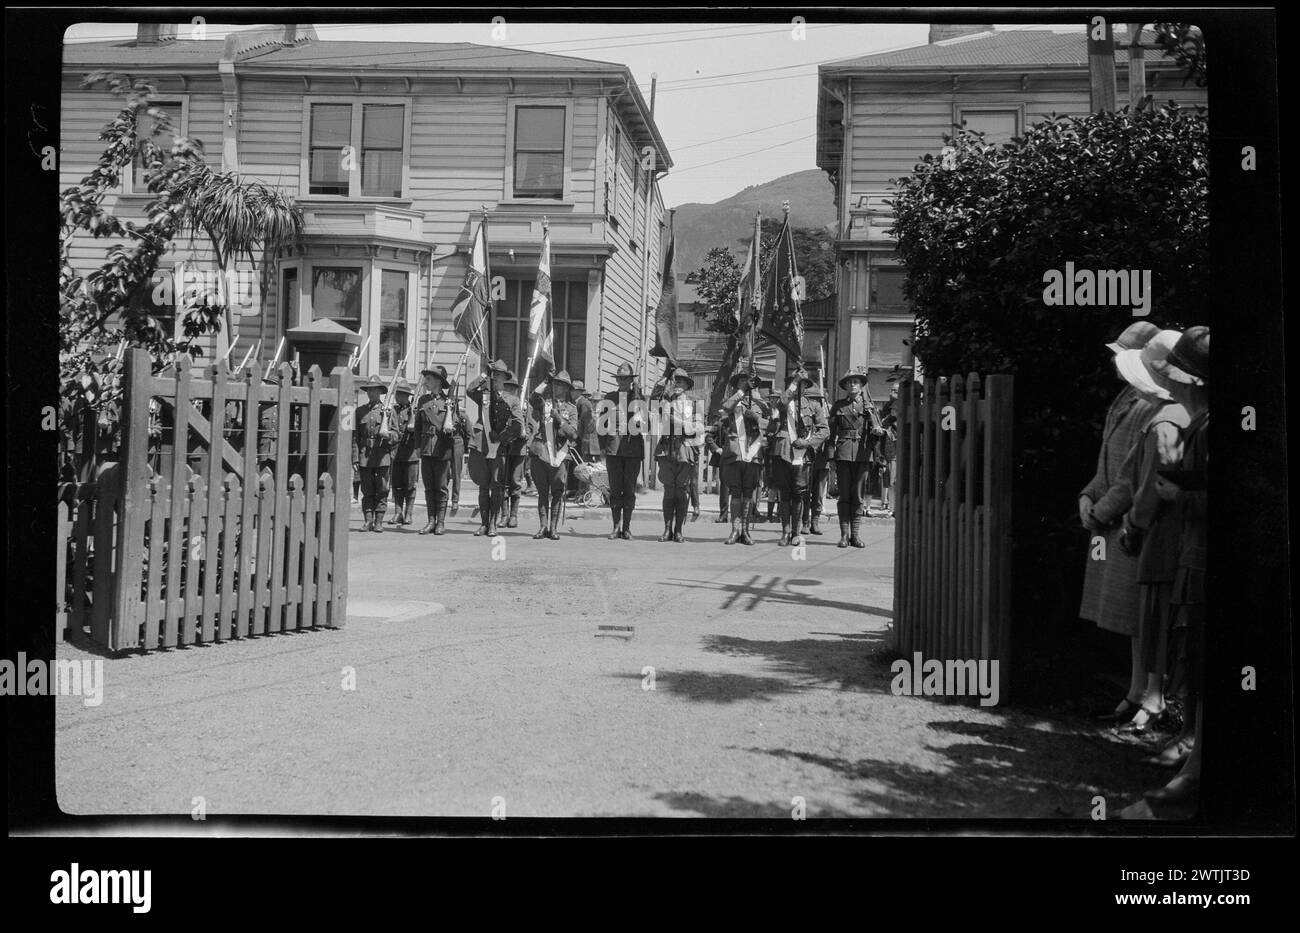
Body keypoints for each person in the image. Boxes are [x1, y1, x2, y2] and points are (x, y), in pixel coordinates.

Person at [1078, 321, 1160, 722]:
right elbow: (1108, 463)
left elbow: (1132, 477)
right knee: (1133, 620)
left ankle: (1145, 697)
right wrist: (1087, 495)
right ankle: (1136, 692)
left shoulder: (1151, 402)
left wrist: (1100, 509)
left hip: (1130, 523)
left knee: (1141, 617)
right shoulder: (1131, 396)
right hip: (1114, 518)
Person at [1145, 326, 1208, 804]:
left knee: (1201, 651)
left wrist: (1178, 493)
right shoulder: (1202, 421)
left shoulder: (1208, 425)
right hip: (1193, 549)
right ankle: (1191, 745)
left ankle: (1198, 761)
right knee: (1193, 649)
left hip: (1201, 552)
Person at [1117, 330, 1191, 735]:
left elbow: (1148, 489)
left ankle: (1153, 701)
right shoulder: (1184, 415)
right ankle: (1156, 700)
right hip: (1178, 533)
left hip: (1160, 535)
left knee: (1155, 616)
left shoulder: (1164, 421)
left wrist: (1133, 525)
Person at [766, 367, 829, 546]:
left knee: (799, 493)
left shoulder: (814, 405)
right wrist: (794, 382)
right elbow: (781, 404)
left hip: (802, 454)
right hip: (783, 451)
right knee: (784, 492)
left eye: (802, 384)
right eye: (796, 383)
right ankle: (785, 532)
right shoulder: (784, 402)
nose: (799, 387)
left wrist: (808, 443)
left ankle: (795, 532)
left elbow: (825, 430)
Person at [828, 365, 884, 548]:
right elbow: (830, 434)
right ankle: (844, 535)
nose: (853, 385)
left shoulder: (869, 407)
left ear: (861, 386)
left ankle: (855, 535)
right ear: (846, 386)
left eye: (856, 382)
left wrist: (875, 427)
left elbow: (877, 432)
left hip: (863, 454)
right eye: (850, 382)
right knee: (844, 495)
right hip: (843, 453)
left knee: (858, 496)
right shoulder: (839, 406)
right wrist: (831, 457)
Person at [716, 370, 770, 545]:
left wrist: (755, 417)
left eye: (748, 383)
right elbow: (726, 407)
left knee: (748, 492)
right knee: (735, 492)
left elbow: (770, 424)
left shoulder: (760, 404)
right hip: (735, 453)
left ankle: (745, 530)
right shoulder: (733, 400)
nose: (746, 385)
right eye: (741, 382)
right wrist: (740, 393)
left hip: (753, 454)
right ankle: (735, 529)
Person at [527, 369, 579, 540]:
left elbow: (572, 433)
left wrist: (559, 419)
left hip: (559, 455)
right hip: (541, 453)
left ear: (567, 389)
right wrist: (545, 381)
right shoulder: (545, 403)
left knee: (557, 492)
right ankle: (542, 526)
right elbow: (533, 398)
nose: (559, 388)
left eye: (563, 385)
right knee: (542, 492)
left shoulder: (571, 409)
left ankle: (553, 528)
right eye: (556, 384)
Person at [652, 368, 703, 542]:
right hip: (667, 448)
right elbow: (654, 396)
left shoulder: (693, 404)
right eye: (675, 381)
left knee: (681, 491)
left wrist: (680, 422)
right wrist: (665, 375)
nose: (678, 384)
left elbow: (698, 428)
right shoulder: (665, 401)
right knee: (668, 490)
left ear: (687, 385)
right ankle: (667, 529)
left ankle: (679, 530)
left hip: (685, 449)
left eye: (681, 381)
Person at [599, 361, 647, 540]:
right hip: (613, 449)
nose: (623, 381)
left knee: (629, 490)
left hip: (633, 450)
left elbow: (646, 425)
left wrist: (638, 396)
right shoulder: (609, 397)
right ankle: (615, 526)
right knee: (615, 489)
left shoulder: (638, 398)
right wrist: (602, 447)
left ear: (631, 379)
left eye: (626, 378)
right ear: (617, 380)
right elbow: (601, 424)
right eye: (620, 378)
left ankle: (626, 527)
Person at [414, 366, 463, 535]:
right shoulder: (423, 401)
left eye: (428, 379)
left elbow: (456, 424)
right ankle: (430, 521)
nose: (425, 382)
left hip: (442, 449)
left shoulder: (449, 402)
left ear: (438, 382)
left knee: (441, 487)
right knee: (429, 487)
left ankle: (440, 522)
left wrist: (451, 419)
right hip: (427, 449)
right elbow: (418, 427)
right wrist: (418, 448)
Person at [466, 360, 510, 536]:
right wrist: (484, 373)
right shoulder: (484, 395)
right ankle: (484, 523)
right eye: (494, 374)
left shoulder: (509, 398)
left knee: (497, 485)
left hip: (499, 445)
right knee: (484, 486)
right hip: (482, 444)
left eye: (499, 375)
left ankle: (493, 523)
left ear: (505, 379)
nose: (496, 377)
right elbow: (469, 390)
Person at [352, 375, 399, 532]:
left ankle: (379, 521)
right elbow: (356, 437)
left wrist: (389, 435)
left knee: (382, 489)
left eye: (375, 390)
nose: (371, 393)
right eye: (369, 390)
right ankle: (368, 520)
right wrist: (355, 457)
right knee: (367, 490)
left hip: (382, 455)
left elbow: (397, 434)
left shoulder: (388, 411)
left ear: (380, 391)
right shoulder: (360, 411)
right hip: (365, 455)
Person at [492, 370, 529, 533]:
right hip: (504, 446)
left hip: (519, 448)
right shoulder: (501, 403)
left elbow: (532, 425)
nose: (511, 390)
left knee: (515, 481)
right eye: (508, 387)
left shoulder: (526, 405)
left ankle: (513, 515)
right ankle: (504, 515)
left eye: (513, 387)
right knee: (503, 482)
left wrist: (525, 432)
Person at [388, 378, 418, 525]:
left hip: (411, 454)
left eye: (402, 394)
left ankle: (408, 514)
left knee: (410, 485)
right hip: (396, 452)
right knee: (397, 484)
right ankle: (398, 512)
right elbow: (392, 427)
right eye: (398, 394)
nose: (399, 396)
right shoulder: (393, 410)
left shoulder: (414, 410)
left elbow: (416, 430)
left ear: (407, 397)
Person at [801, 381, 831, 535]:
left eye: (816, 399)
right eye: (811, 398)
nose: (813, 402)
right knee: (805, 491)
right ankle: (805, 521)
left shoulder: (830, 413)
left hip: (823, 457)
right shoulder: (807, 414)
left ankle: (815, 521)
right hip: (808, 457)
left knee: (818, 493)